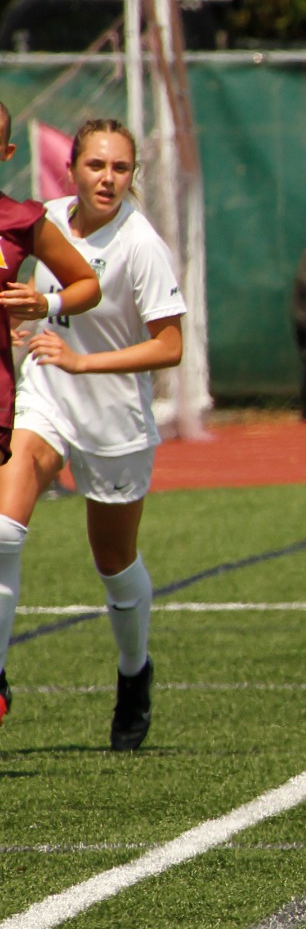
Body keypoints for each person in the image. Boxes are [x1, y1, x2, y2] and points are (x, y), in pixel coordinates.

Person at [0, 117, 180, 750]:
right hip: (44, 398)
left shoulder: (141, 244)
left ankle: (134, 674)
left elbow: (171, 346)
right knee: (2, 529)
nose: (108, 178)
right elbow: (22, 286)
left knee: (113, 562)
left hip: (114, 420)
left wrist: (82, 359)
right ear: (70, 168)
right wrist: (23, 308)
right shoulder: (40, 219)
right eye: (97, 165)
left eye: (121, 168)